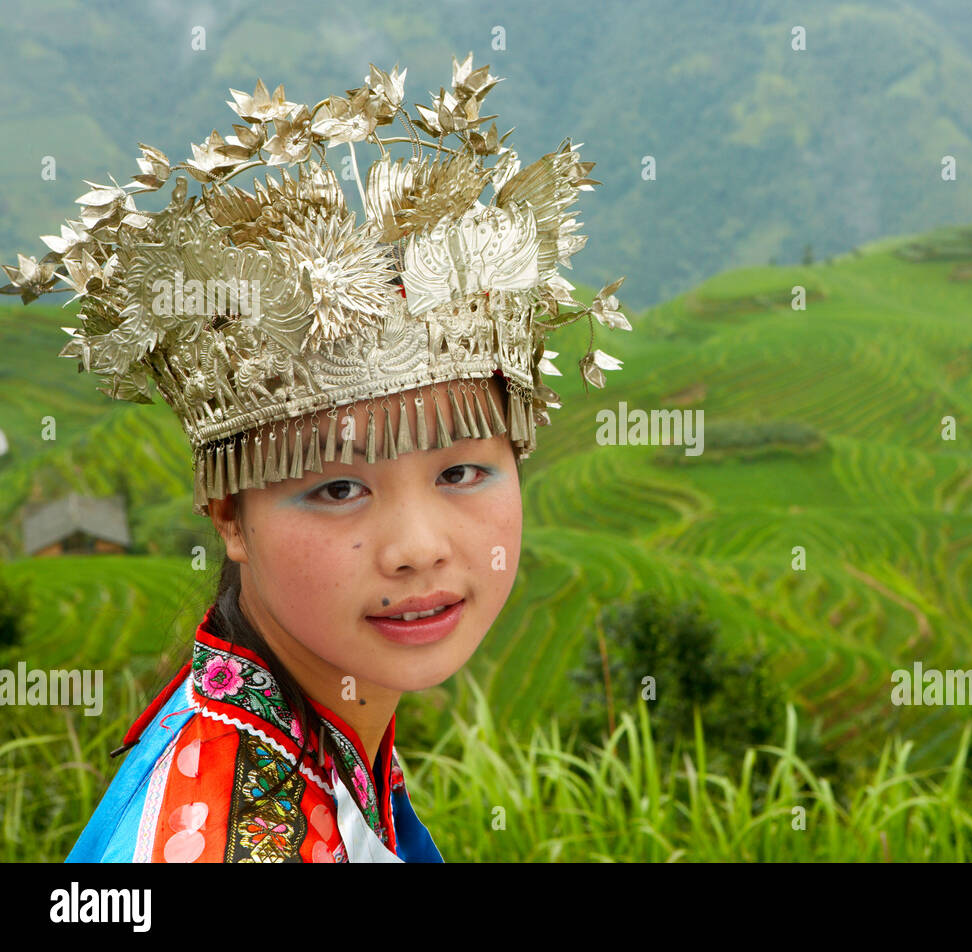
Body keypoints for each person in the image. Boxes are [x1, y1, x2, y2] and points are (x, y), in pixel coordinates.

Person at [2, 53, 631, 862]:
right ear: (230, 512)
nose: (417, 548)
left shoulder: (312, 739)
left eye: (460, 472)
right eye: (338, 487)